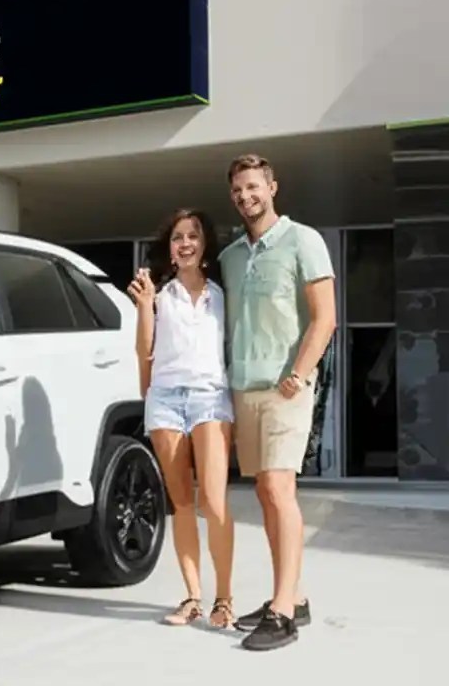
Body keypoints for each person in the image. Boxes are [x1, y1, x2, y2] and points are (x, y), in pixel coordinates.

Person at [217, 154, 337, 652]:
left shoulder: (303, 240)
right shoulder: (228, 257)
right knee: (265, 494)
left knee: (277, 487)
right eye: (238, 190)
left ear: (272, 188)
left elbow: (325, 317)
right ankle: (293, 596)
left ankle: (283, 612)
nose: (246, 196)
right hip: (245, 389)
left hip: (286, 387)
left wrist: (298, 373)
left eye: (253, 187)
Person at [127, 208, 236, 629]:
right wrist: (143, 306)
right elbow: (145, 352)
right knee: (183, 503)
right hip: (166, 401)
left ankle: (224, 599)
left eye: (192, 236)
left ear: (205, 244)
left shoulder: (222, 295)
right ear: (169, 248)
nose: (185, 243)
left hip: (210, 397)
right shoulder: (160, 295)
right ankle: (193, 596)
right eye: (177, 237)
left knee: (213, 499)